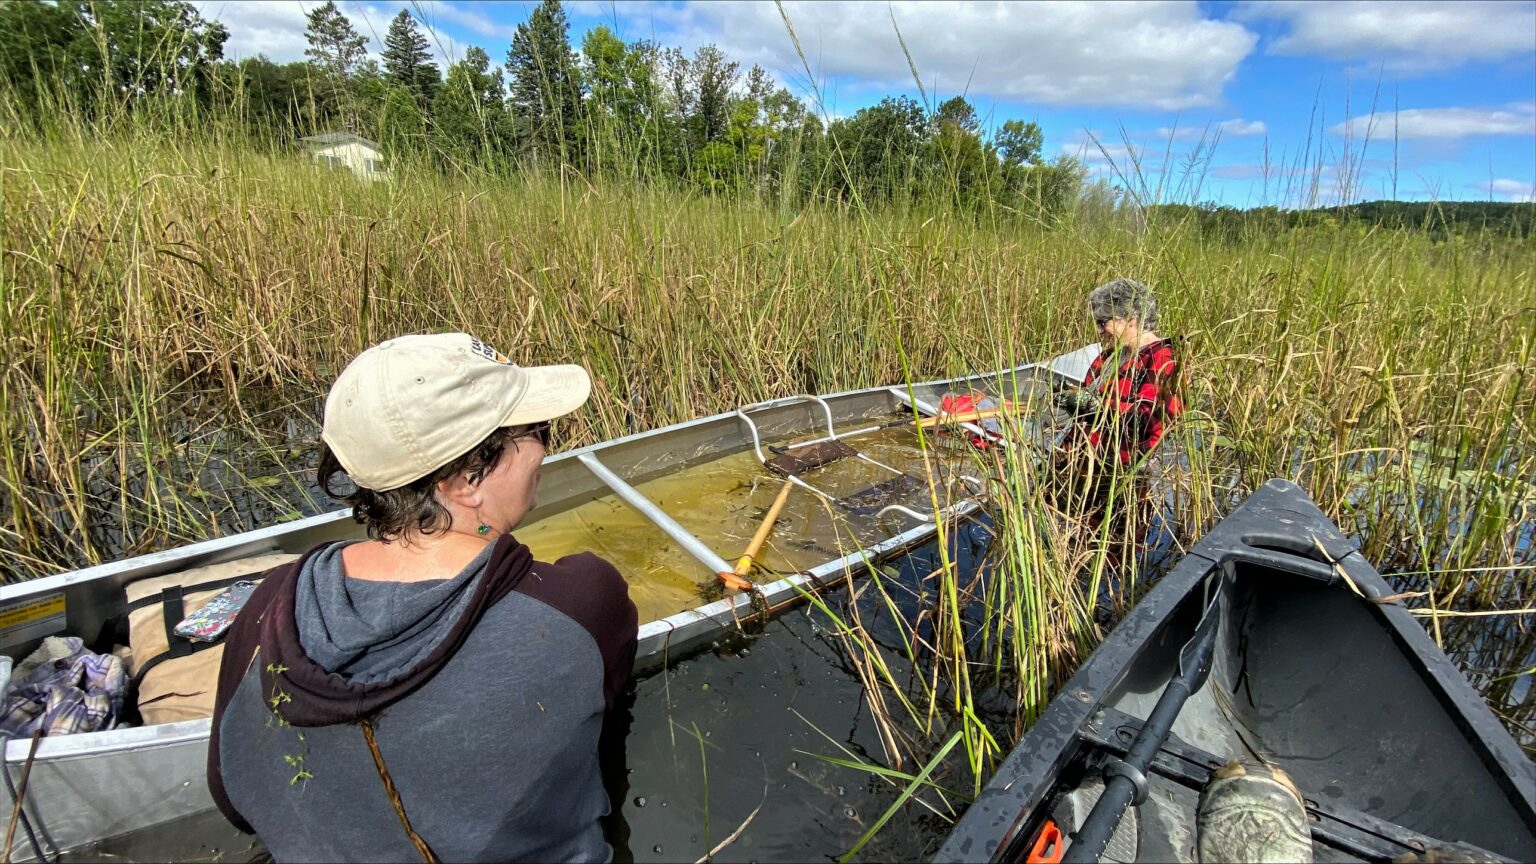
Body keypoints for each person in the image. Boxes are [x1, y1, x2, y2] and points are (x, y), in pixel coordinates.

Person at [206, 333, 637, 863]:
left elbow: (234, 799)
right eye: (537, 431)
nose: (546, 449)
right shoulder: (584, 601)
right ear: (463, 482)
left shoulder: (268, 605)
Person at [1051, 278, 1183, 537]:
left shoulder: (1164, 358)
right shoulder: (1110, 355)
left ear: (1131, 318)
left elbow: (1150, 420)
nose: (1100, 330)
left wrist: (1093, 407)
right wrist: (1067, 398)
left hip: (1119, 477)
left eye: (1104, 322)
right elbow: (1087, 400)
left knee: (1108, 549)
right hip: (1081, 466)